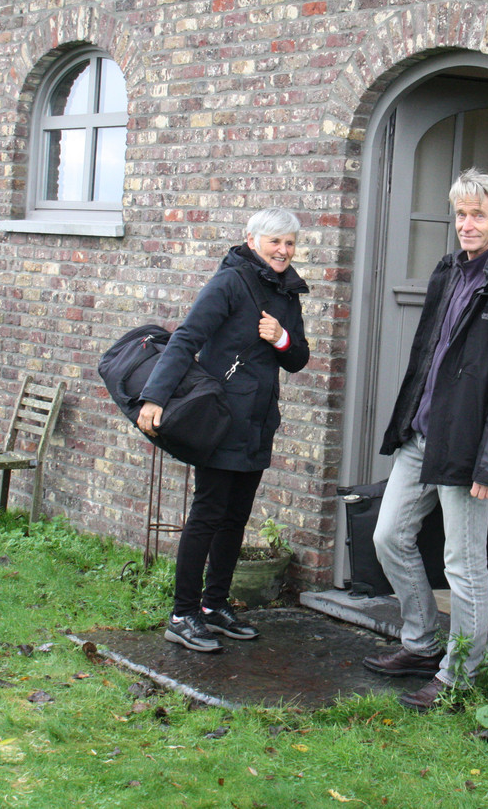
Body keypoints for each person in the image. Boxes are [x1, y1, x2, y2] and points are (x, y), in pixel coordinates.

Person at [364, 168, 488, 710]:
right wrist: (404, 423)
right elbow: (429, 357)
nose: (466, 224)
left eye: (478, 215)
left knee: (464, 564)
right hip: (424, 435)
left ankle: (460, 675)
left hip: (467, 450)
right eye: (461, 214)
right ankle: (420, 642)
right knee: (387, 537)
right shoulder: (450, 271)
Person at [137, 208, 310, 653]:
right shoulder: (230, 282)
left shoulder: (288, 293)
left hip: (258, 420)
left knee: (236, 517)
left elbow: (298, 358)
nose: (283, 251)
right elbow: (186, 338)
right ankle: (183, 613)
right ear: (251, 239)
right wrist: (154, 399)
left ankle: (215, 606)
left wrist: (281, 339)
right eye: (275, 241)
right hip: (219, 420)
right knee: (209, 514)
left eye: (290, 243)